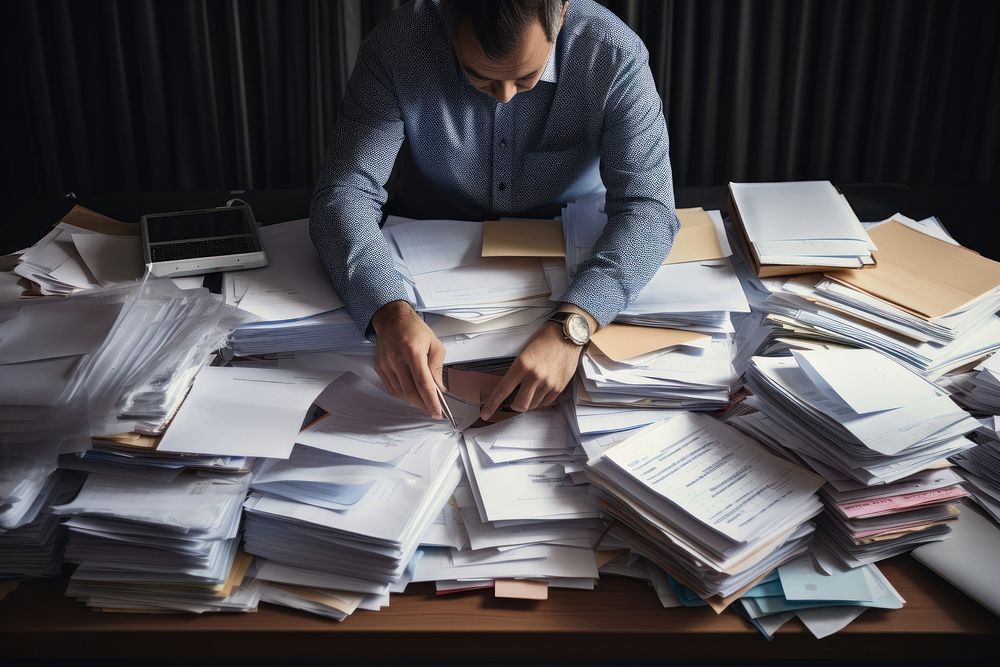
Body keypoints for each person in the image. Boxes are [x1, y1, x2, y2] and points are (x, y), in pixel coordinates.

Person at [310, 0, 677, 422]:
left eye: (526, 78)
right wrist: (388, 310)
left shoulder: (611, 52)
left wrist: (574, 325)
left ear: (559, 11)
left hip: (571, 259)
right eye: (479, 78)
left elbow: (648, 208)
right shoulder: (399, 46)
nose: (504, 97)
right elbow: (345, 191)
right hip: (428, 263)